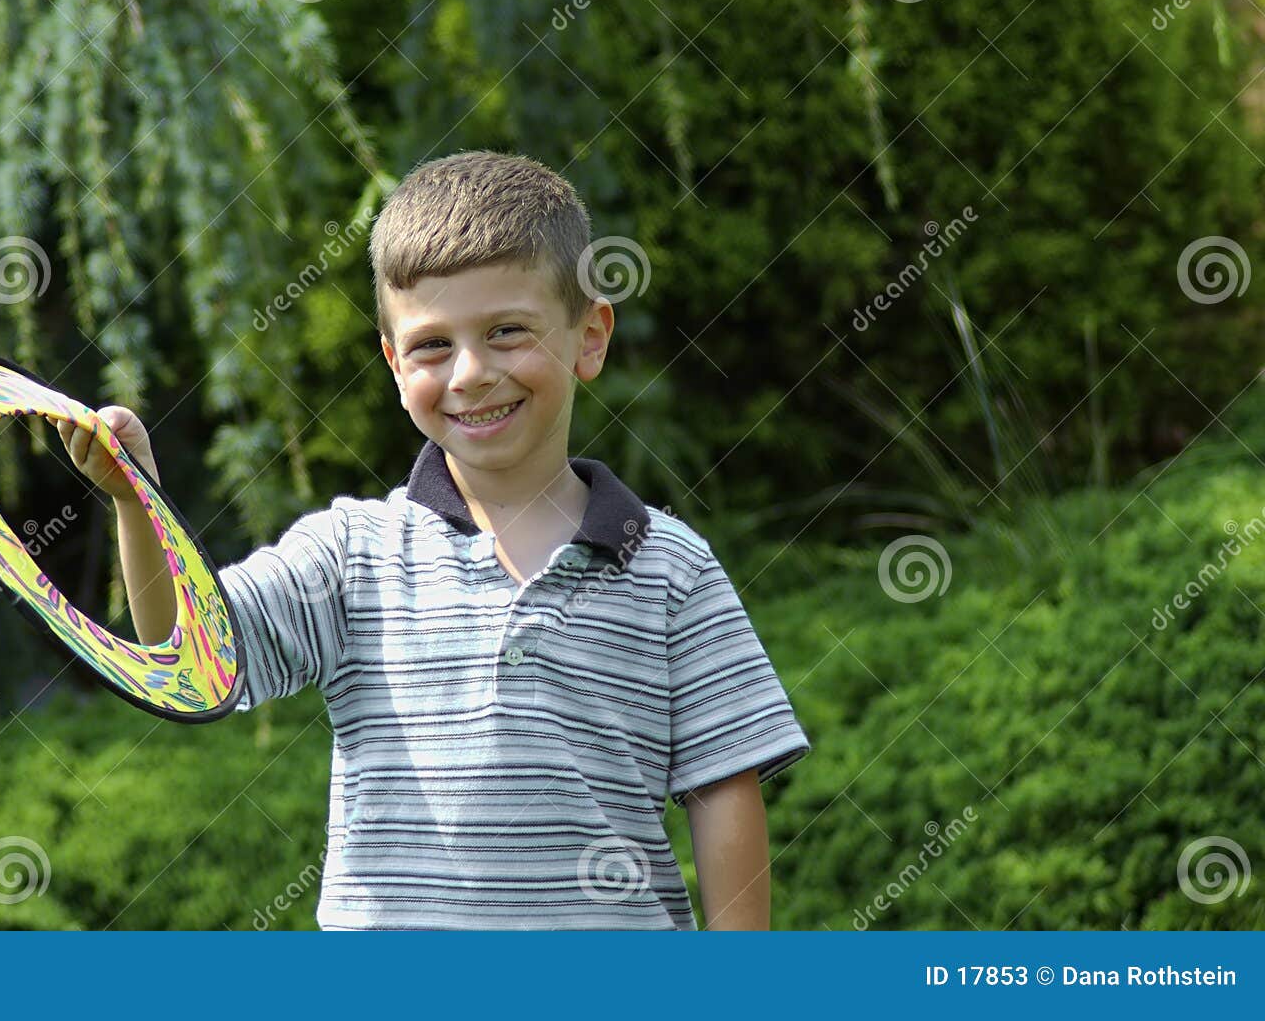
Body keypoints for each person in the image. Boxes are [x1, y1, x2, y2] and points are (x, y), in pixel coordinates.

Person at [57, 150, 812, 929]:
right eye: (432, 346)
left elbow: (724, 788)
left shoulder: (672, 569)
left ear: (590, 337)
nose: (471, 373)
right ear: (392, 362)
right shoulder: (353, 553)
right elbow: (191, 648)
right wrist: (137, 502)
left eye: (508, 331)